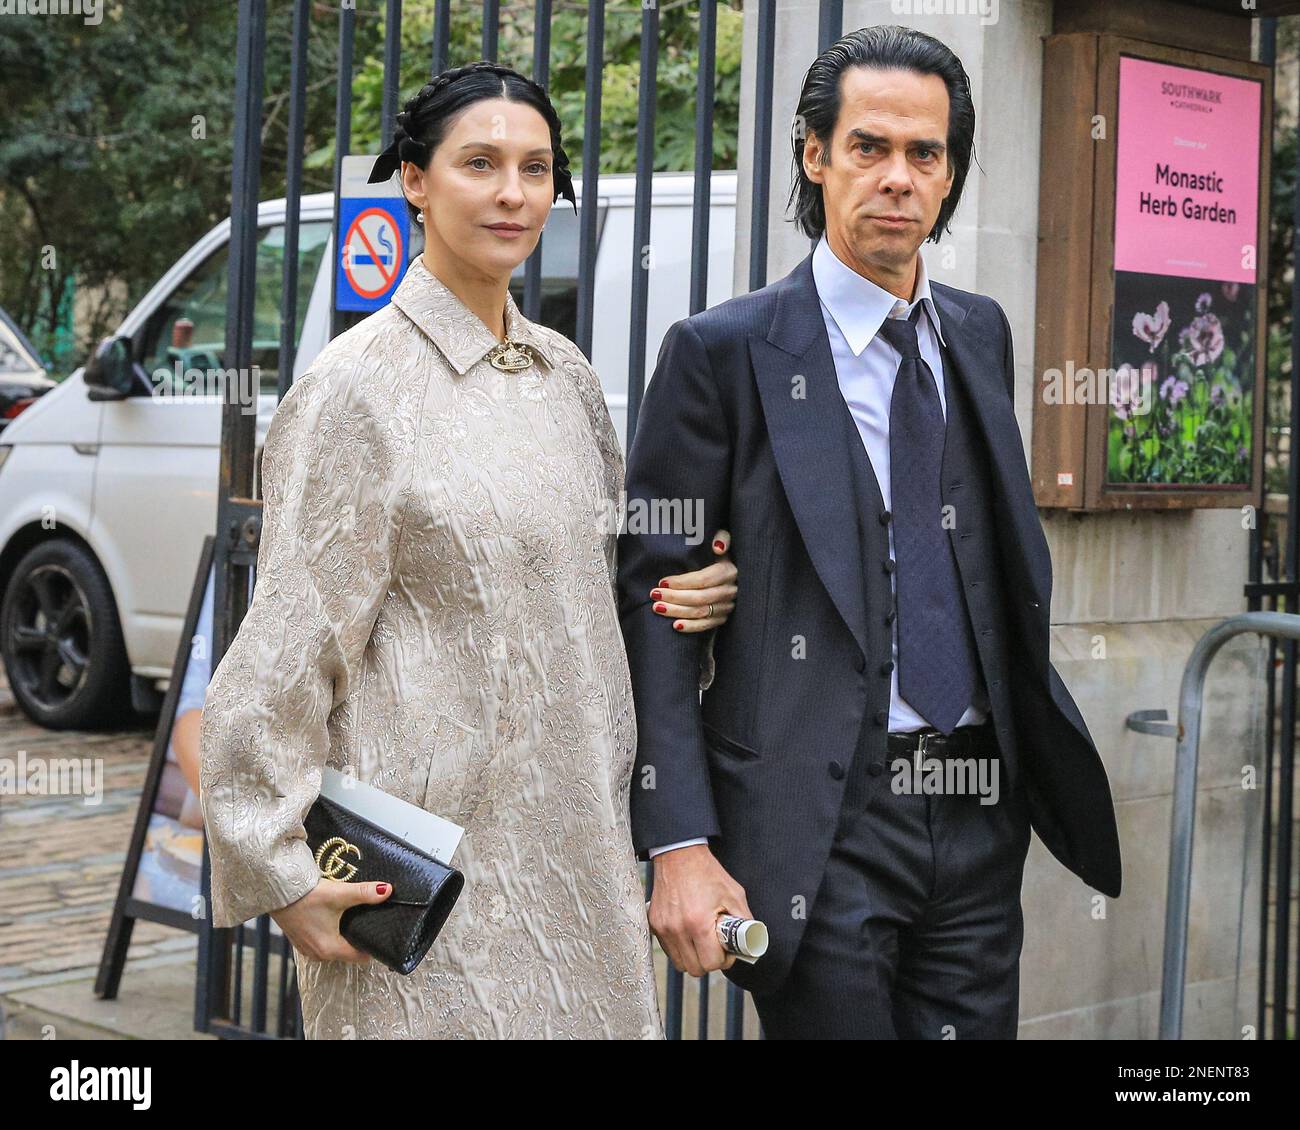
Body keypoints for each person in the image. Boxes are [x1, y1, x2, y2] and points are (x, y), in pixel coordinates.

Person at [198, 61, 740, 1040]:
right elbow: (283, 649)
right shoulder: (354, 393)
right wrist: (278, 868)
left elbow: (598, 588)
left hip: (580, 859)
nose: (511, 192)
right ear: (414, 178)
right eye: (480, 163)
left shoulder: (564, 377)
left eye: (535, 168)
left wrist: (699, 589)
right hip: (429, 884)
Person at [617, 25, 1122, 1039]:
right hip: (819, 822)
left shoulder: (977, 332)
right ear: (816, 155)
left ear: (948, 175)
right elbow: (654, 601)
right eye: (868, 147)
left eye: (923, 154)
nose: (896, 177)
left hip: (979, 804)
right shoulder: (722, 353)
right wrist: (678, 839)